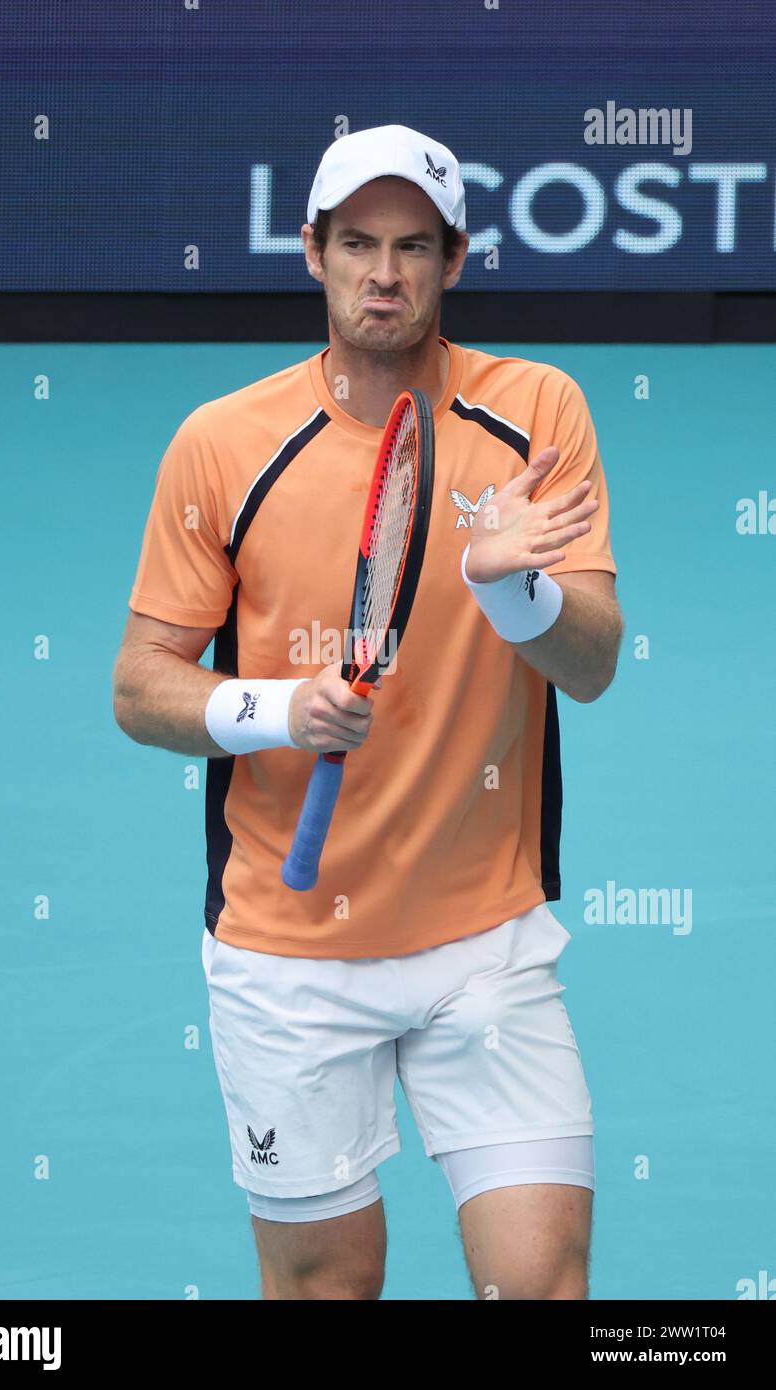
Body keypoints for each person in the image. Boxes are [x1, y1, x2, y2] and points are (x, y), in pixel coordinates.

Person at [113, 124, 624, 1300]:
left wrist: (512, 587)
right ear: (311, 252)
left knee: (543, 1286)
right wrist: (276, 708)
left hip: (482, 939)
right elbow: (141, 687)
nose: (382, 273)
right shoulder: (222, 443)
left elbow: (589, 665)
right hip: (286, 959)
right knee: (324, 1289)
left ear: (453, 258)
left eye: (410, 246)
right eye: (356, 244)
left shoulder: (537, 413)